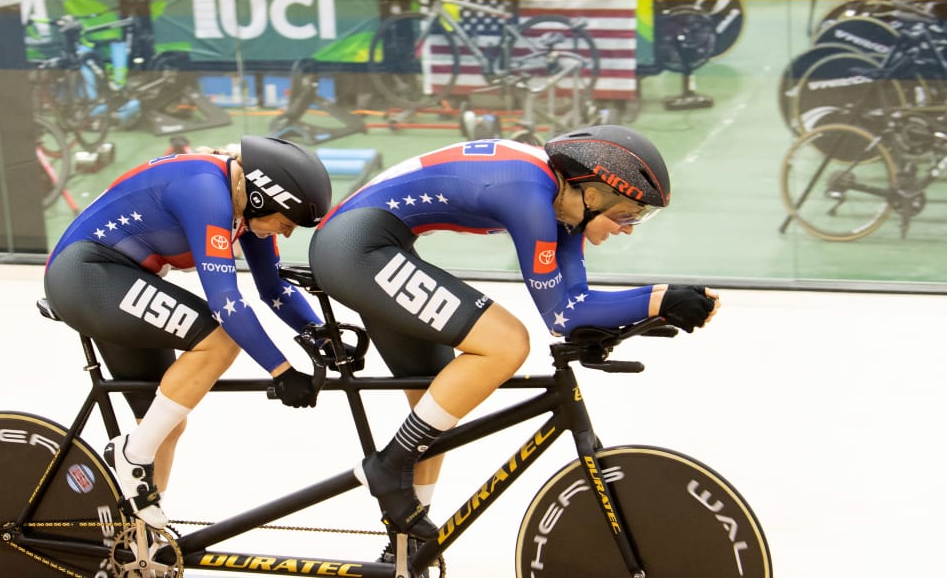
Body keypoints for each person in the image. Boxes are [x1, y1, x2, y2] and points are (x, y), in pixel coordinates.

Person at [308, 127, 720, 541]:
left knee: (438, 405)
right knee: (507, 343)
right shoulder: (529, 194)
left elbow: (574, 304)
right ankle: (388, 466)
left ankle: (404, 549)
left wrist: (654, 310)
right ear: (592, 196)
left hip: (376, 245)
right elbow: (562, 315)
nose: (630, 228)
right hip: (353, 248)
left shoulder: (563, 206)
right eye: (629, 214)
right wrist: (661, 299)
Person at [43, 135, 333, 528]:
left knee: (164, 425)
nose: (286, 235)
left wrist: (318, 332)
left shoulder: (242, 201)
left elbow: (273, 289)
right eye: (286, 224)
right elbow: (225, 301)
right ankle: (129, 456)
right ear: (264, 197)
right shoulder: (207, 191)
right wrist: (282, 371)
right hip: (87, 274)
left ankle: (138, 535)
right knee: (218, 341)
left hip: (115, 277)